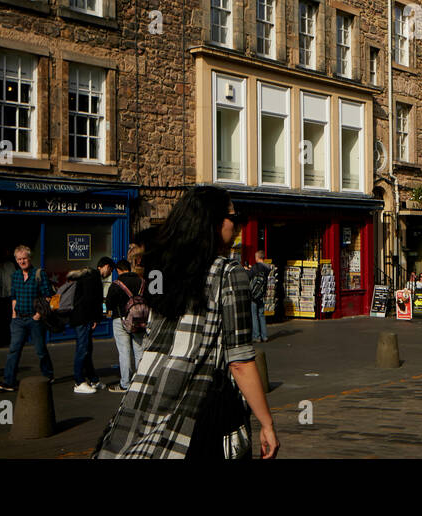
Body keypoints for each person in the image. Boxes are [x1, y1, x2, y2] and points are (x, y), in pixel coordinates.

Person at [94, 186, 279, 459]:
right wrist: (267, 424)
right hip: (199, 405)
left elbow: (152, 334)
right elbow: (239, 360)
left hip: (146, 394)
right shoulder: (229, 272)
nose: (237, 225)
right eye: (233, 216)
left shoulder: (164, 269)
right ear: (213, 222)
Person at [0, 245, 55, 391]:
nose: (22, 261)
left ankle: (48, 375)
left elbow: (48, 296)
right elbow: (13, 297)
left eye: (24, 259)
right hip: (19, 320)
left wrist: (38, 315)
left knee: (40, 350)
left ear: (29, 258)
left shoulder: (39, 274)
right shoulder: (15, 276)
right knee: (14, 350)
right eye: (19, 259)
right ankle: (9, 381)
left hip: (35, 319)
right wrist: (13, 315)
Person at [105, 259, 145, 394]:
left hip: (120, 319)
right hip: (139, 320)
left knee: (124, 352)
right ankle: (141, 381)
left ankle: (125, 384)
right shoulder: (142, 282)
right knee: (139, 350)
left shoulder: (116, 284)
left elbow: (109, 304)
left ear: (118, 270)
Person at [69, 260, 108, 393]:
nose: (109, 274)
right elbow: (92, 300)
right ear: (106, 267)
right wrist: (96, 318)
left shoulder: (87, 276)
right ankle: (79, 381)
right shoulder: (94, 278)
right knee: (83, 349)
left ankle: (93, 379)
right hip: (84, 319)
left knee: (86, 349)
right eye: (110, 270)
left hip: (81, 317)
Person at [249, 251, 271, 343]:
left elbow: (250, 276)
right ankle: (264, 336)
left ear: (257, 257)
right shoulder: (267, 268)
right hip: (262, 293)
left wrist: (247, 269)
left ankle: (256, 336)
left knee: (254, 315)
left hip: (254, 294)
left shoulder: (255, 267)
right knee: (261, 314)